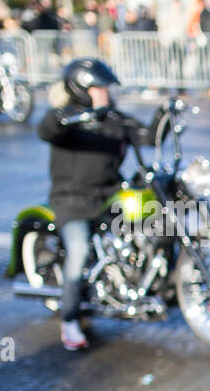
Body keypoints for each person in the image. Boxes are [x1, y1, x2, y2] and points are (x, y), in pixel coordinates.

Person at [36, 59, 162, 350]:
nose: (104, 92)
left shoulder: (113, 118)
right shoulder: (64, 117)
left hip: (110, 195)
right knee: (78, 251)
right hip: (72, 200)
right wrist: (71, 118)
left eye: (105, 87)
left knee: (155, 222)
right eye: (98, 88)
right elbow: (47, 129)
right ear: (81, 89)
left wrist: (165, 113)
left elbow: (149, 137)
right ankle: (69, 321)